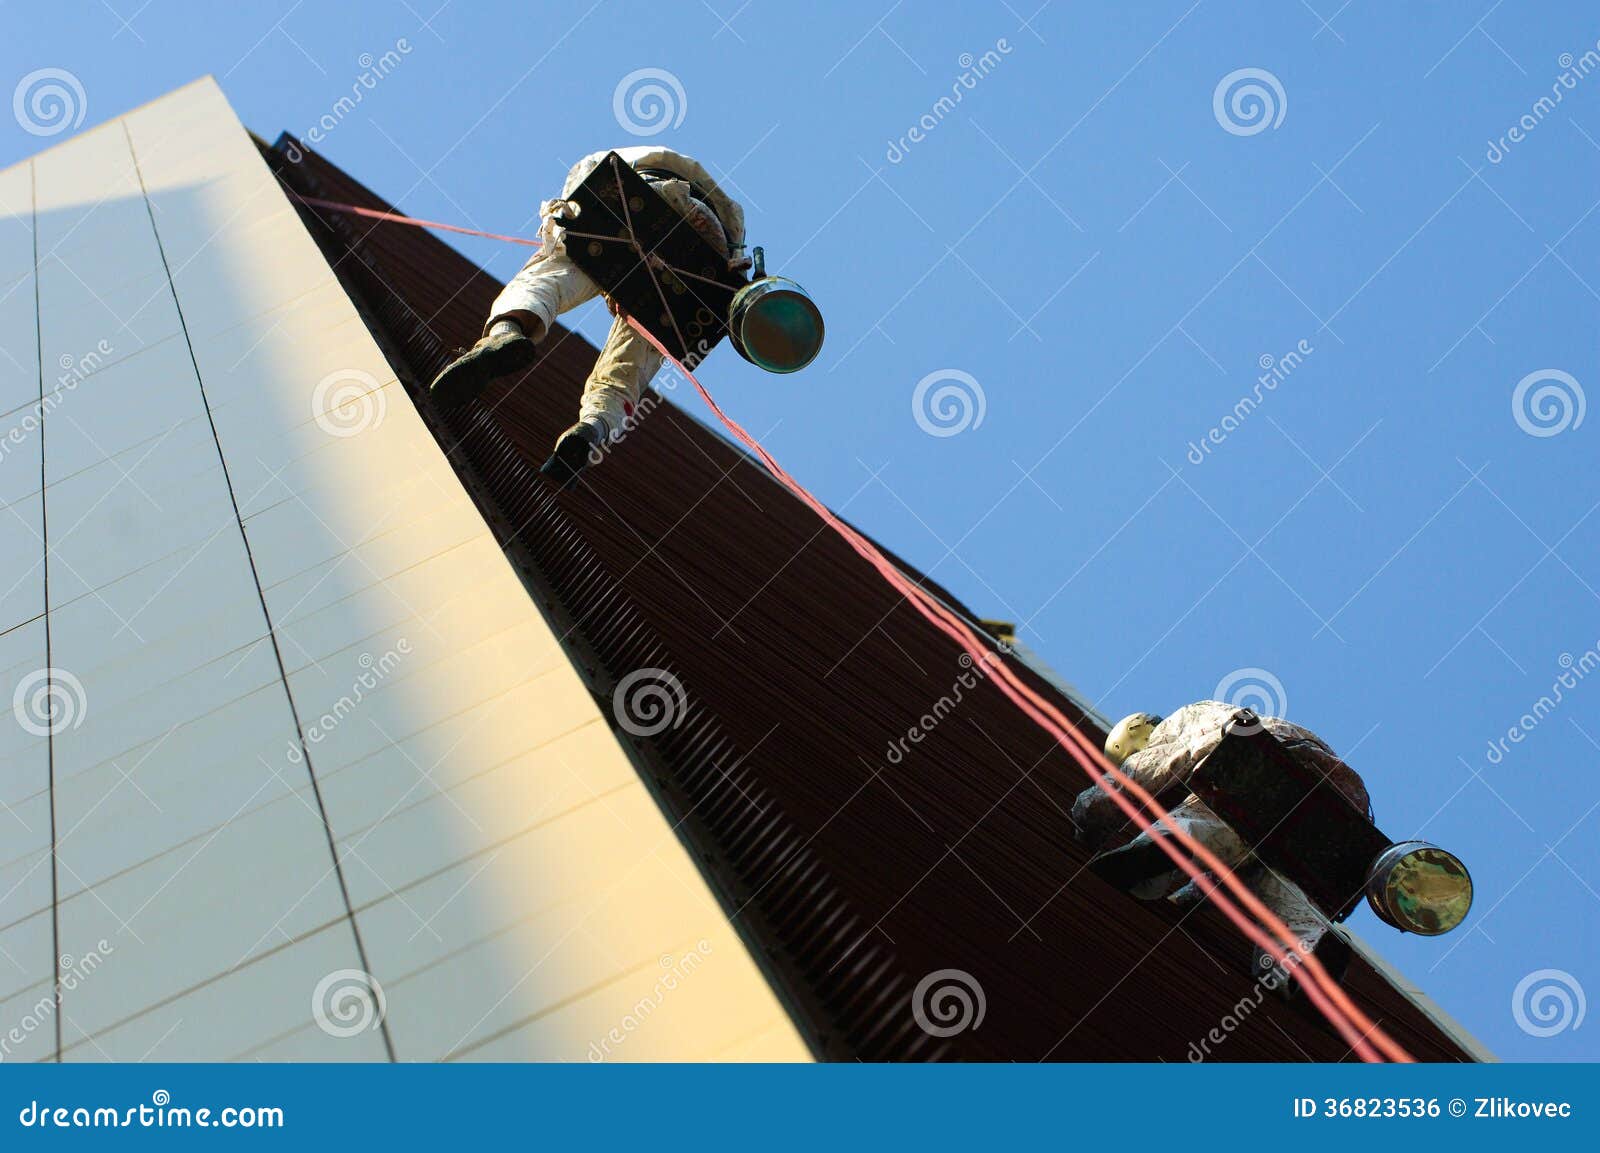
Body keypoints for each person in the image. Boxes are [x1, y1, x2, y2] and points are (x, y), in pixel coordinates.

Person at [429, 146, 749, 487]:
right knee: (634, 359)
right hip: (710, 242)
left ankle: (505, 333)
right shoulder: (716, 195)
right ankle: (594, 427)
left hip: (641, 198)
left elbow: (580, 198)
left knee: (552, 273)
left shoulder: (610, 159)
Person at [1074, 702, 1371, 991]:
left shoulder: (1182, 722)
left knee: (1204, 818)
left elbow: (1149, 768)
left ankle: (1164, 847)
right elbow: (1232, 870)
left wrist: (1087, 815)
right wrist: (1188, 899)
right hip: (1338, 807)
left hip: (1264, 765)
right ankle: (1303, 957)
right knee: (1279, 880)